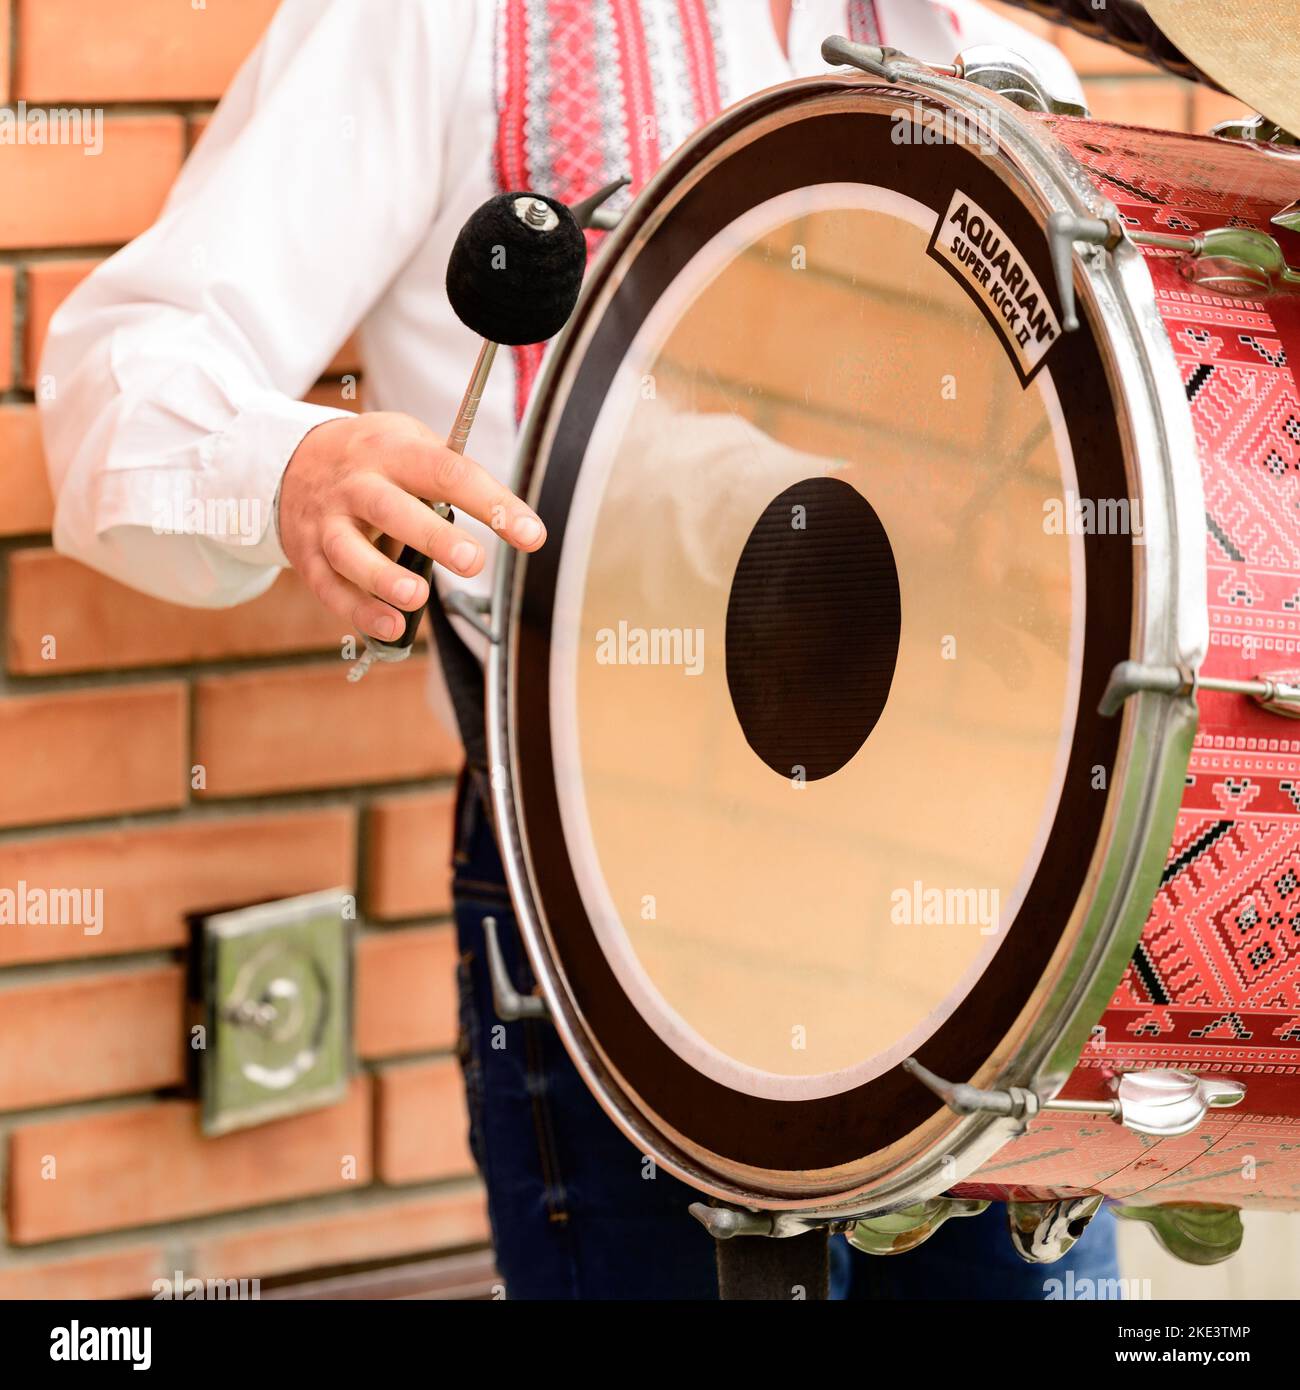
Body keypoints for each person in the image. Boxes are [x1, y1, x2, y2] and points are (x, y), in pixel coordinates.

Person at [40, 0, 1119, 1299]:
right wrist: (293, 463)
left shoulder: (1011, 73)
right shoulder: (435, 22)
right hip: (607, 902)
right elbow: (124, 366)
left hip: (995, 910)